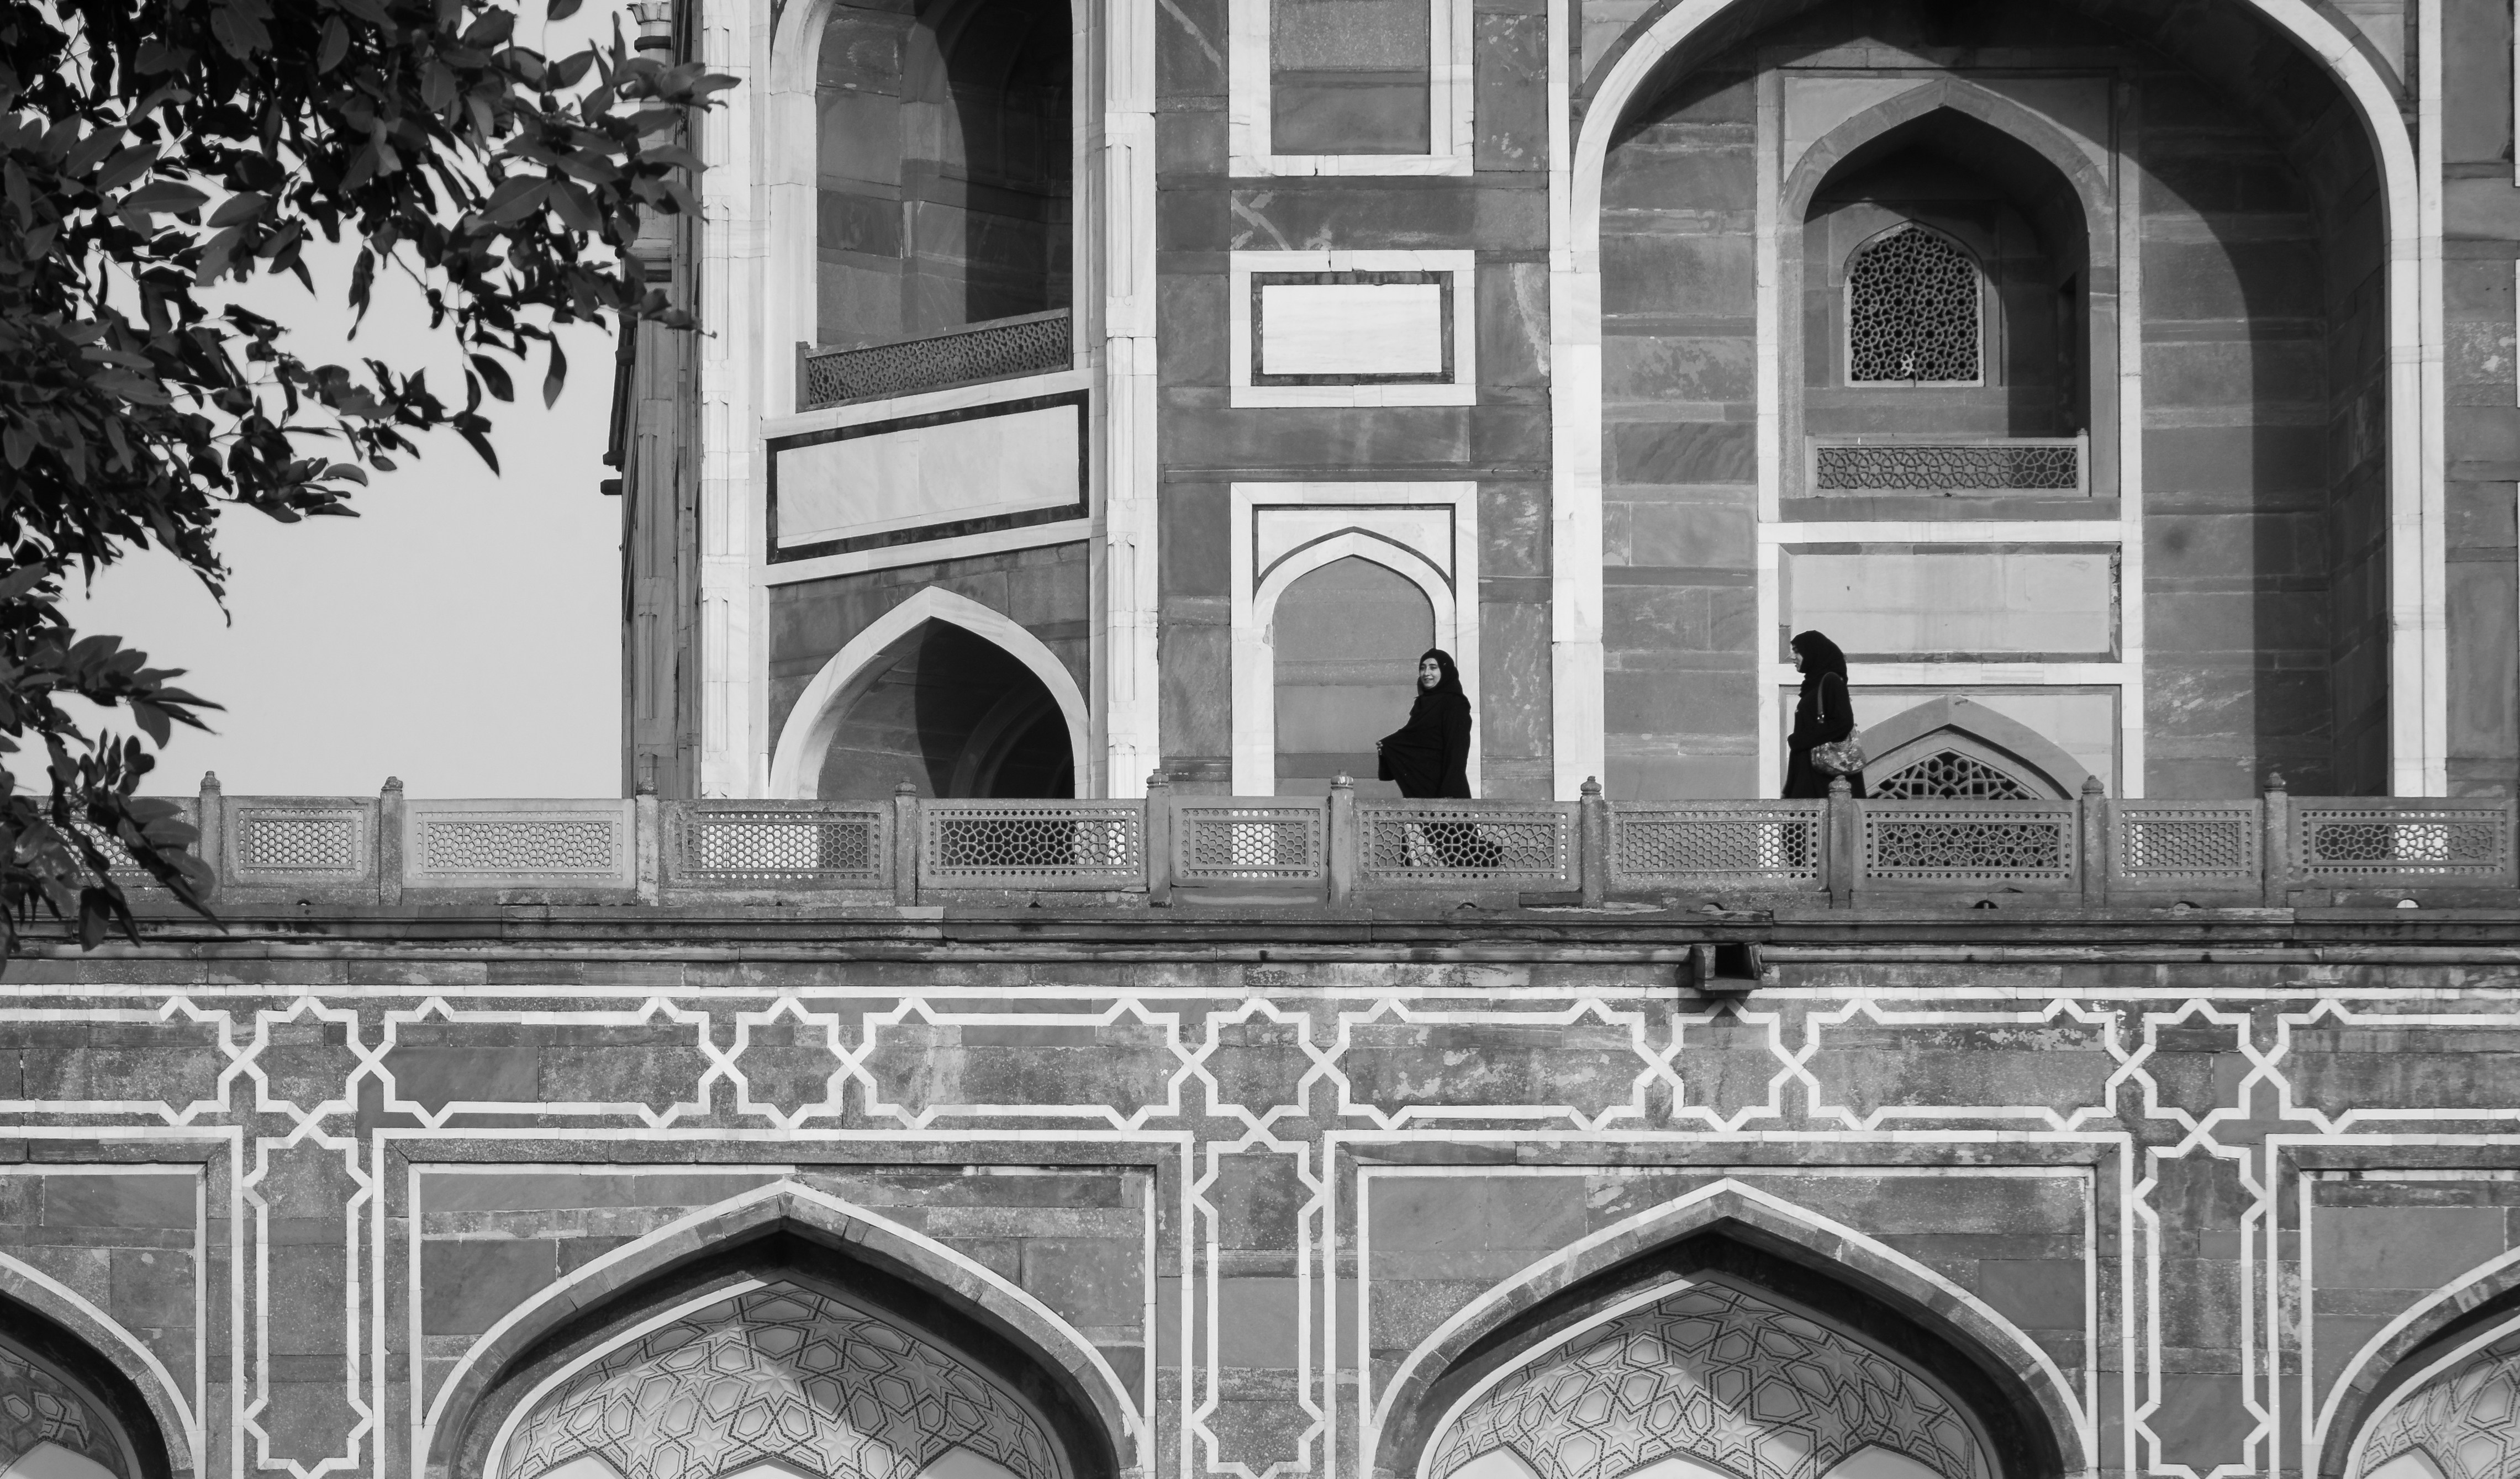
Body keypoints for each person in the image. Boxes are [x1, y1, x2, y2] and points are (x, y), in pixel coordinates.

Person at [1377, 649, 1474, 799]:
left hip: (1447, 791)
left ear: (1445, 671)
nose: (1426, 673)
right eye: (1422, 668)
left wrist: (1450, 794)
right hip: (1424, 788)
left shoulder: (1454, 704)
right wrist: (1388, 746)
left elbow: (1457, 750)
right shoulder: (1422, 705)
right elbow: (1414, 741)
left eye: (1433, 668)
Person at [1784, 629, 1866, 799]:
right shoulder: (1813, 687)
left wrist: (1800, 740)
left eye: (1797, 651)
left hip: (1825, 779)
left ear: (1813, 653)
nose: (1792, 657)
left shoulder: (1831, 681)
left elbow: (1843, 722)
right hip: (1808, 774)